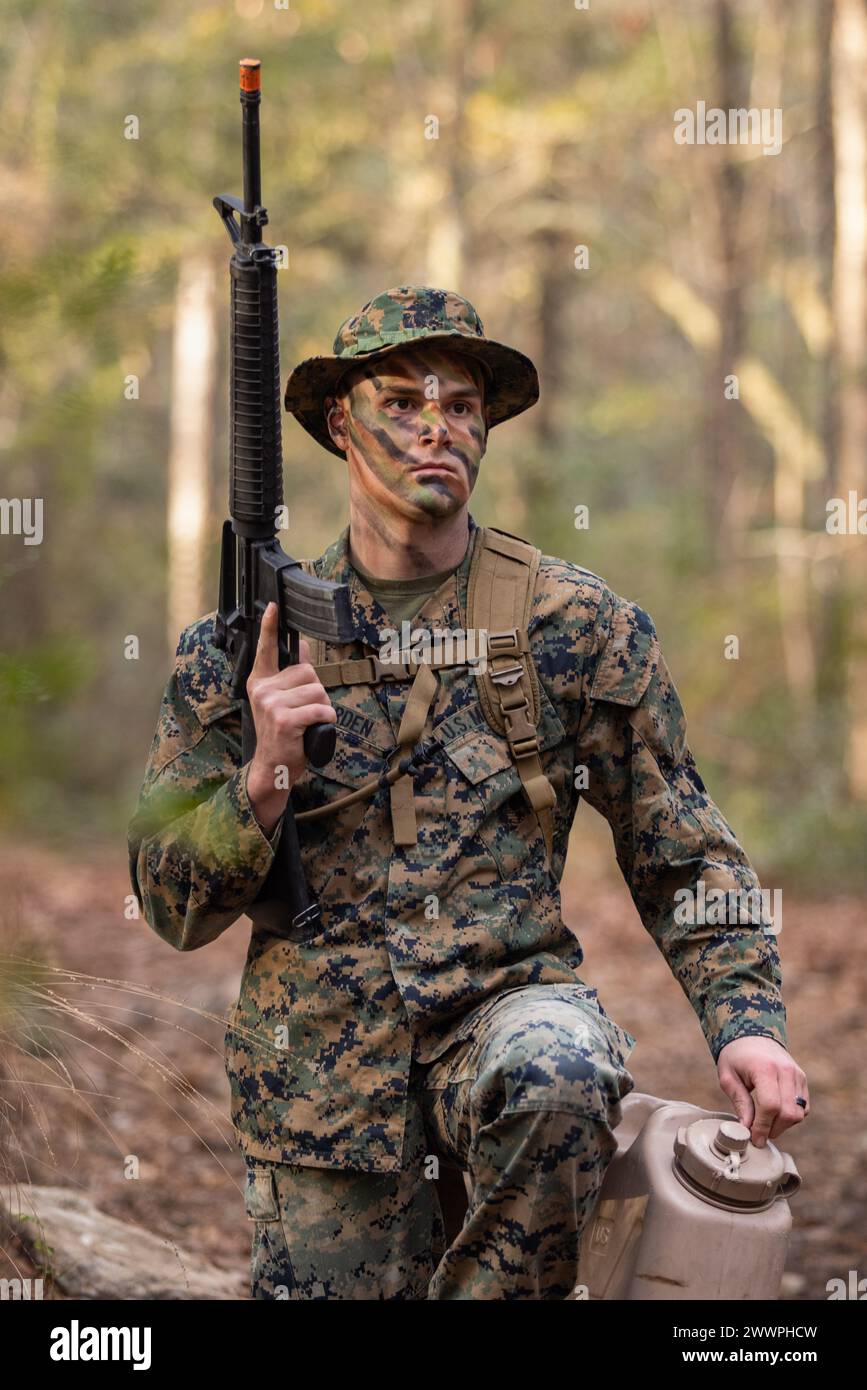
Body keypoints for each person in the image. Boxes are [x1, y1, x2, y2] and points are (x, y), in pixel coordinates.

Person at [128, 285, 809, 1300]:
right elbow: (170, 903)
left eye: (463, 406)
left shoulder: (576, 626)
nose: (437, 428)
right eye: (401, 402)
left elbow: (685, 851)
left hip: (506, 1018)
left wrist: (746, 1019)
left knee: (562, 1067)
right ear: (338, 425)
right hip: (319, 1077)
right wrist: (266, 772)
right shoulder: (243, 648)